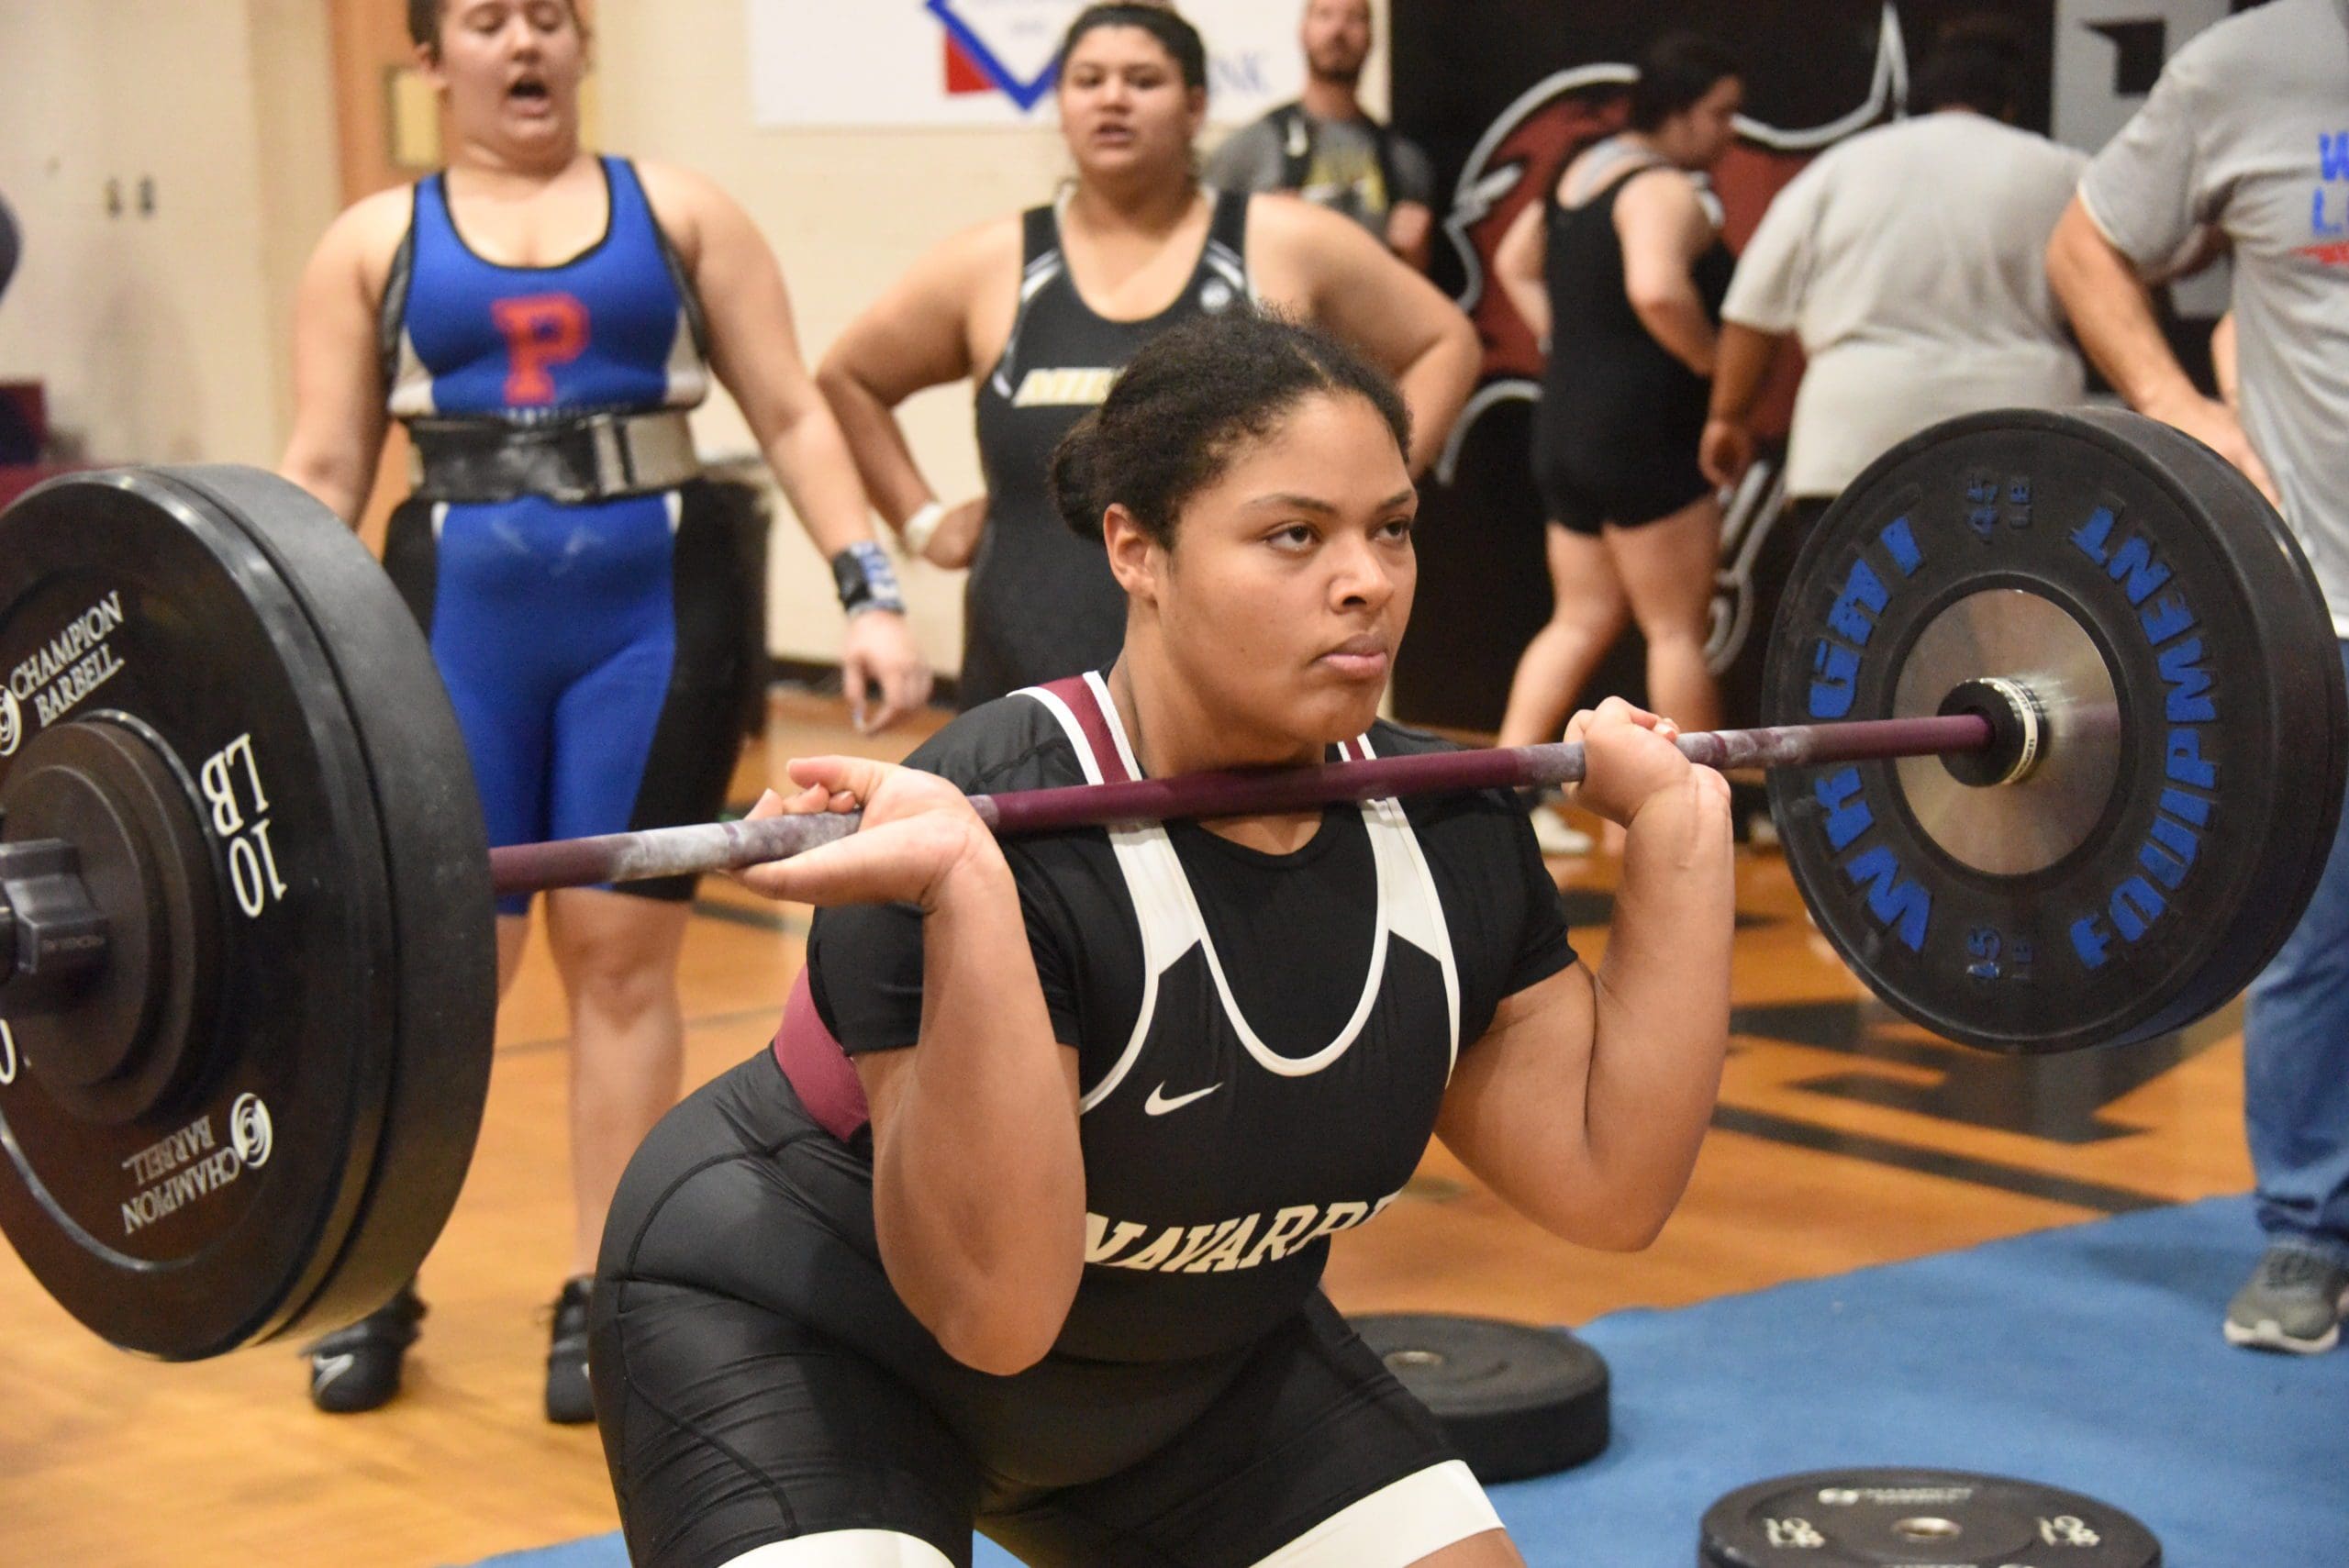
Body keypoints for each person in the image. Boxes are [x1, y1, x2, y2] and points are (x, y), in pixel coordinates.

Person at [591, 308, 1731, 1568]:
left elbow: (1607, 1182)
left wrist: (1681, 836)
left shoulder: (1445, 822)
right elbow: (995, 1311)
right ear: (1137, 547)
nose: (1367, 581)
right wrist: (970, 894)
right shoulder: (983, 808)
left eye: (1391, 529)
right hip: (811, 1334)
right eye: (1294, 535)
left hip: (1189, 1375)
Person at [276, 0, 930, 1418]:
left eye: (551, 18)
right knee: (445, 980)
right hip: (456, 618)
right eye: (488, 20)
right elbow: (324, 464)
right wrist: (285, 660)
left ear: (583, 49)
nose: (525, 46)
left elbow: (795, 413)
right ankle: (371, 1279)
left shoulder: (682, 212)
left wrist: (869, 589)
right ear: (432, 58)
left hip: (653, 613)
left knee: (625, 962)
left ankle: (602, 1292)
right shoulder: (373, 244)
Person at [818, 3, 1478, 711]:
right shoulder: (991, 262)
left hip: (1240, 695)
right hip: (1022, 674)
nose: (1112, 99)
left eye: (1142, 80)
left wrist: (1364, 496)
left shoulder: (1283, 241)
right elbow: (847, 377)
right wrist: (922, 522)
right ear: (1062, 105)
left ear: (1195, 106)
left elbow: (1448, 343)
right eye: (1088, 79)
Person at [2047, 0, 2349, 1357]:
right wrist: (2177, 402)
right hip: (2327, 602)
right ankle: (2309, 1234)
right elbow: (2088, 243)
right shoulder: (2264, 65)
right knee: (2318, 940)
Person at [1488, 32, 1741, 854]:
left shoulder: (1579, 172)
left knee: (1580, 614)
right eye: (1720, 114)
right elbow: (1659, 288)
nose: (1729, 134)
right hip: (1641, 426)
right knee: (1674, 628)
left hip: (1566, 417)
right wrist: (1716, 369)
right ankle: (1701, 805)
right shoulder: (1661, 187)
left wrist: (1572, 338)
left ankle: (1501, 794)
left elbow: (1517, 258)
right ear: (1680, 110)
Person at [1699, 20, 2087, 525]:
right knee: (2007, 605)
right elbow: (2136, 277)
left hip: (1854, 444)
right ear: (2011, 104)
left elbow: (1754, 308)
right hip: (2020, 438)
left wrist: (1727, 417)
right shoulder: (2063, 172)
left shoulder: (1839, 169)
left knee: (1851, 605)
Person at [1205, 0, 1440, 269]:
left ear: (1372, 37)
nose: (1338, 30)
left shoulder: (1405, 162)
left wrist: (1416, 254)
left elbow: (1417, 288)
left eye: (1354, 18)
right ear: (1303, 31)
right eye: (1325, 15)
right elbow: (1207, 263)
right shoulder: (1245, 150)